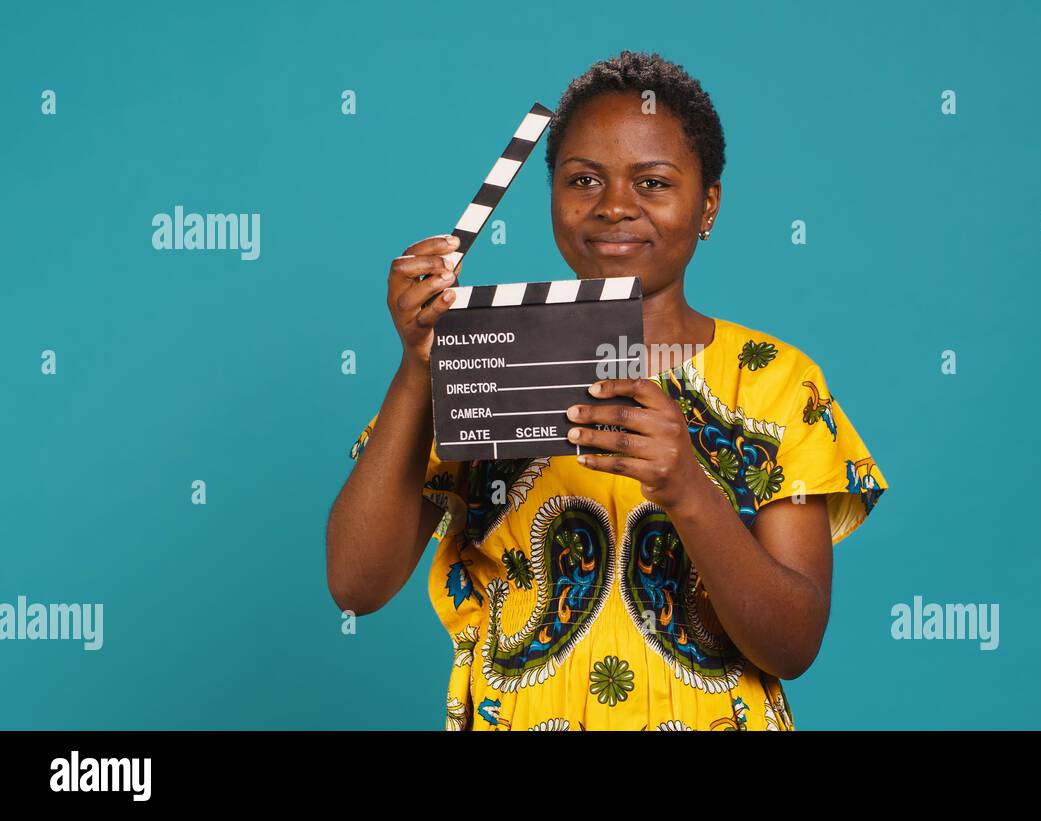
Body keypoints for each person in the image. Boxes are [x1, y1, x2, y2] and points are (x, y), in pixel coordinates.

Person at [326, 50, 888, 731]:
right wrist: (419, 365)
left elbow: (793, 643)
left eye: (653, 182)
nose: (615, 205)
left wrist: (686, 485)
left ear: (707, 203)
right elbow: (357, 583)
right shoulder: (485, 354)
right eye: (583, 179)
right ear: (552, 195)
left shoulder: (774, 379)